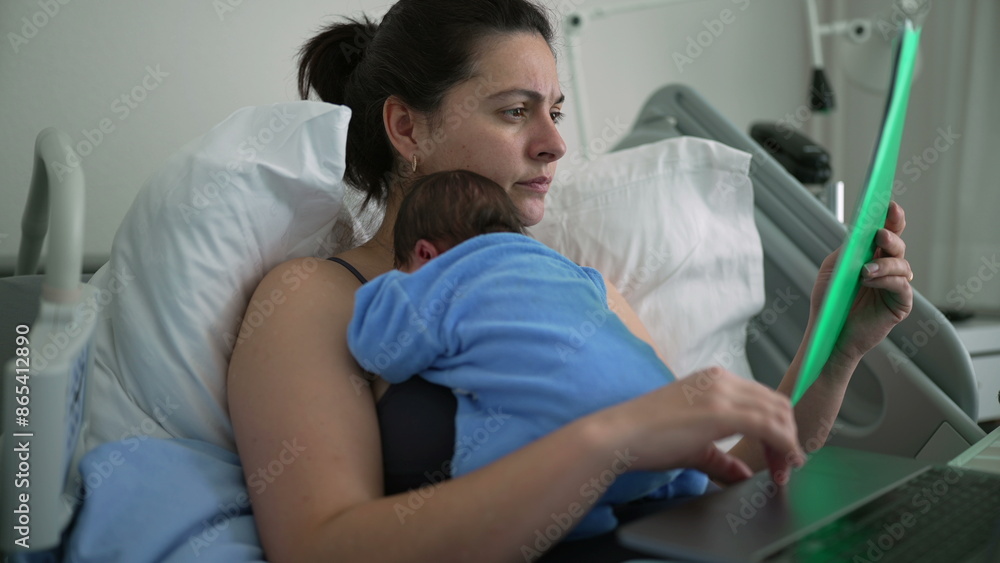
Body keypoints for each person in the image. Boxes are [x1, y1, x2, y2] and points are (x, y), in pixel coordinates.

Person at [226, 1, 914, 561]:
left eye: (555, 111)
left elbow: (712, 485)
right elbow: (321, 546)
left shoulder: (581, 289)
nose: (555, 143)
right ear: (408, 126)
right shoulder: (316, 297)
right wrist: (604, 440)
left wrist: (838, 349)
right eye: (515, 110)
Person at [347, 170, 708, 540]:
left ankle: (581, 521)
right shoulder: (571, 273)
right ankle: (677, 481)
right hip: (669, 436)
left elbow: (380, 353)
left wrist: (392, 288)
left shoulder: (436, 283)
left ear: (424, 253)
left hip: (567, 468)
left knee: (492, 457)